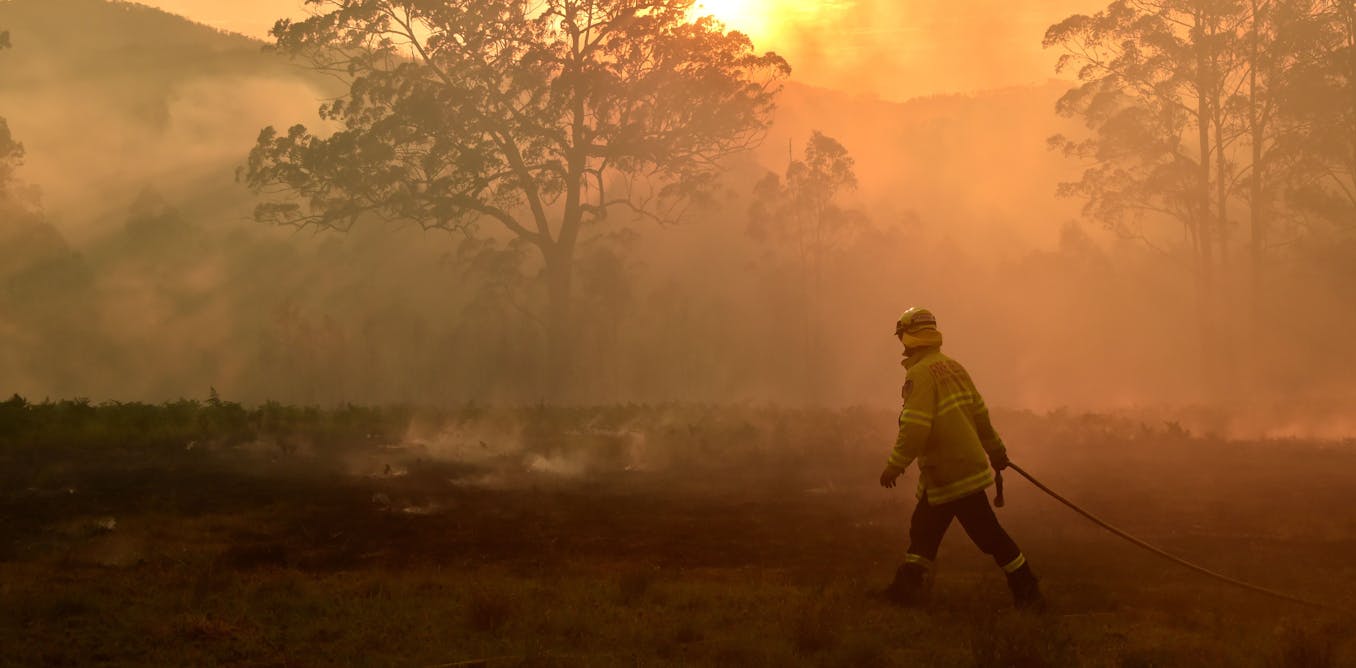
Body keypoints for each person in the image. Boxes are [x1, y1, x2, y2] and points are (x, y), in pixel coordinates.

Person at [879, 307, 1044, 610]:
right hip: (957, 470)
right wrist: (996, 453)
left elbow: (915, 427)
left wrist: (895, 465)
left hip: (949, 473)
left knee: (988, 536)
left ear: (908, 337)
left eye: (902, 336)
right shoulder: (955, 367)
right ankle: (906, 587)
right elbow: (980, 415)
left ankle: (1027, 588)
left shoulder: (919, 375)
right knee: (925, 529)